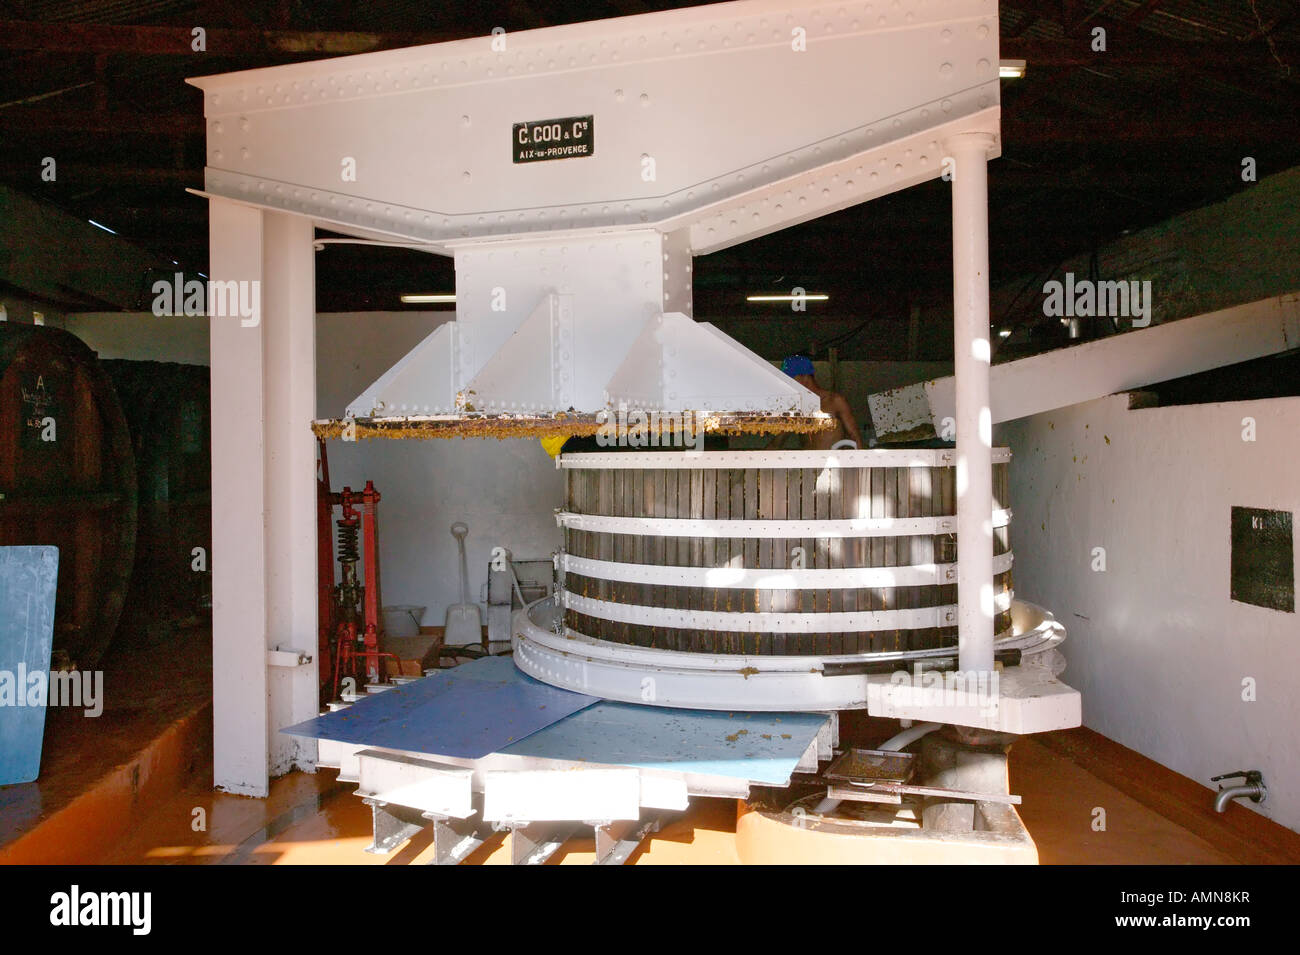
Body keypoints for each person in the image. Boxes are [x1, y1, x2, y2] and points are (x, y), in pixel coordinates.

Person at [775, 355, 864, 450]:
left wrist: (860, 463)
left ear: (805, 376)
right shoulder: (796, 408)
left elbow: (855, 438)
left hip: (832, 462)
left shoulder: (835, 401)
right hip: (807, 463)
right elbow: (777, 442)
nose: (787, 384)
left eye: (790, 380)